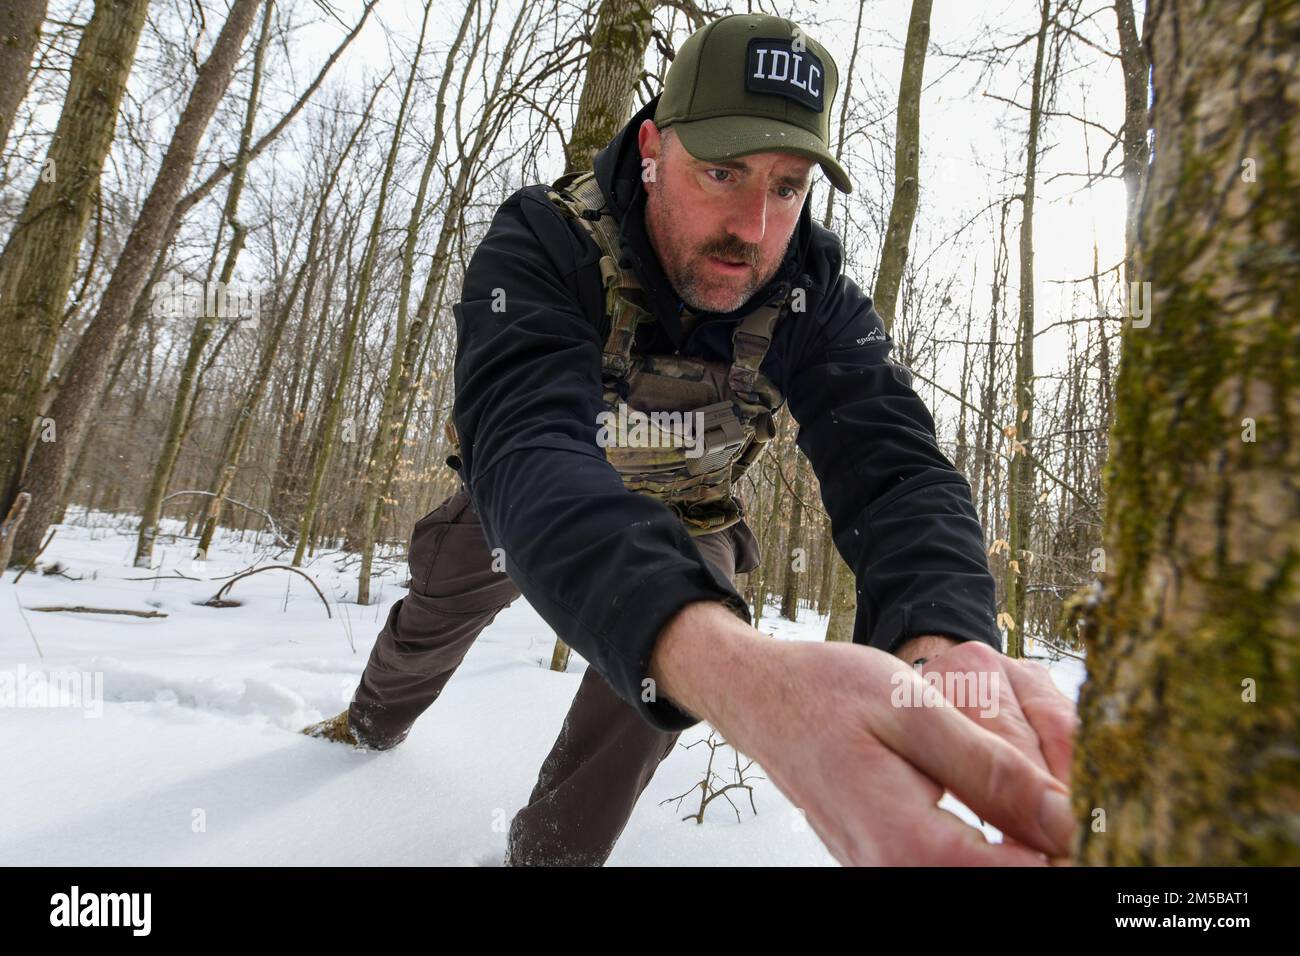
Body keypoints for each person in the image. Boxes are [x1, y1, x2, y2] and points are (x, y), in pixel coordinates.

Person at [304, 12, 1079, 867]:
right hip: (529, 506)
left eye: (787, 187)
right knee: (431, 615)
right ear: (650, 149)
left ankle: (549, 861)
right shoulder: (546, 240)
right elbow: (523, 444)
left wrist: (945, 651)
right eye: (722, 171)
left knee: (649, 696)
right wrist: (748, 682)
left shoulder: (811, 298)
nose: (752, 227)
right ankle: (370, 722)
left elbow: (896, 472)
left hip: (692, 514)